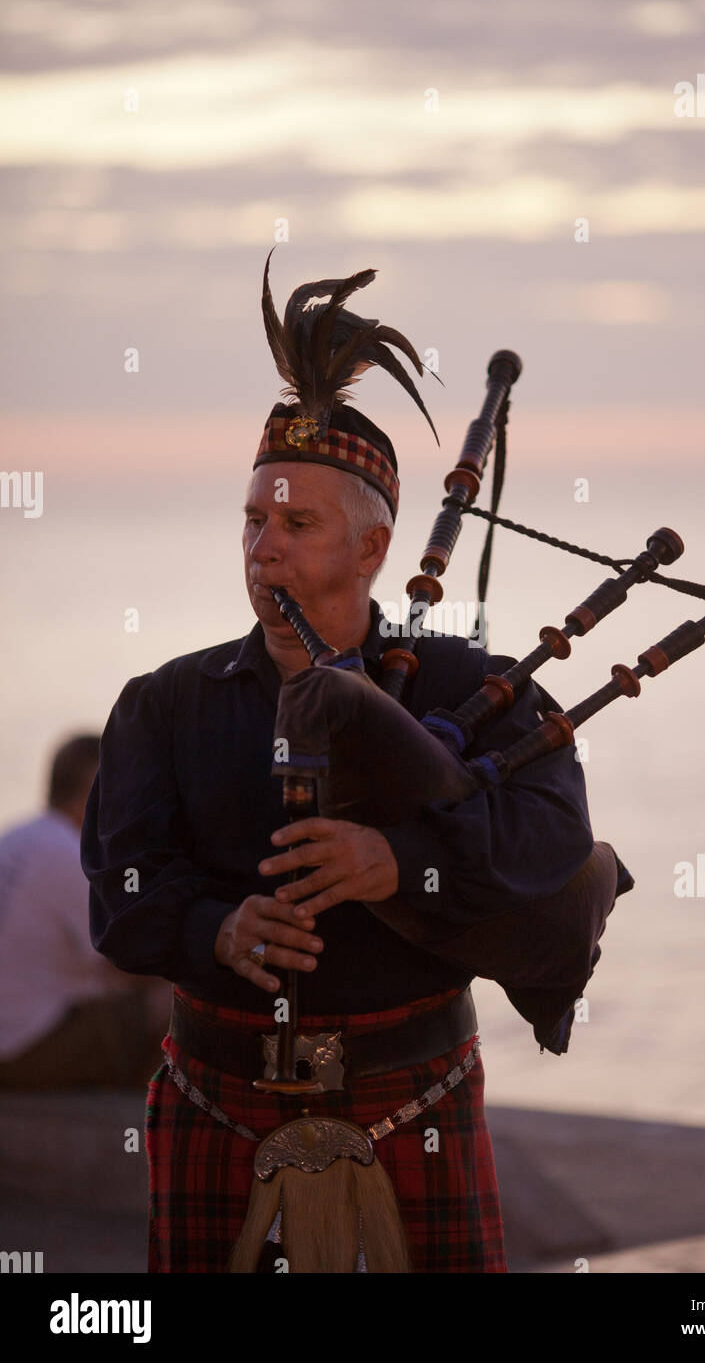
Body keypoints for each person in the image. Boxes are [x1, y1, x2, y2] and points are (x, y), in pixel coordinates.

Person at [80, 261, 602, 1273]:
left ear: (371, 548)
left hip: (413, 1093)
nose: (263, 549)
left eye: (296, 525)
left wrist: (398, 860)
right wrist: (213, 927)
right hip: (212, 1095)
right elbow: (121, 894)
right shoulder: (164, 704)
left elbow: (551, 839)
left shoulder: (468, 690)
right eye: (252, 521)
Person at [0, 735, 167, 1088]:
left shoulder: (17, 839)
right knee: (177, 1003)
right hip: (23, 1047)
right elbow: (126, 964)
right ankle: (145, 1124)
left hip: (15, 1030)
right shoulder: (70, 855)